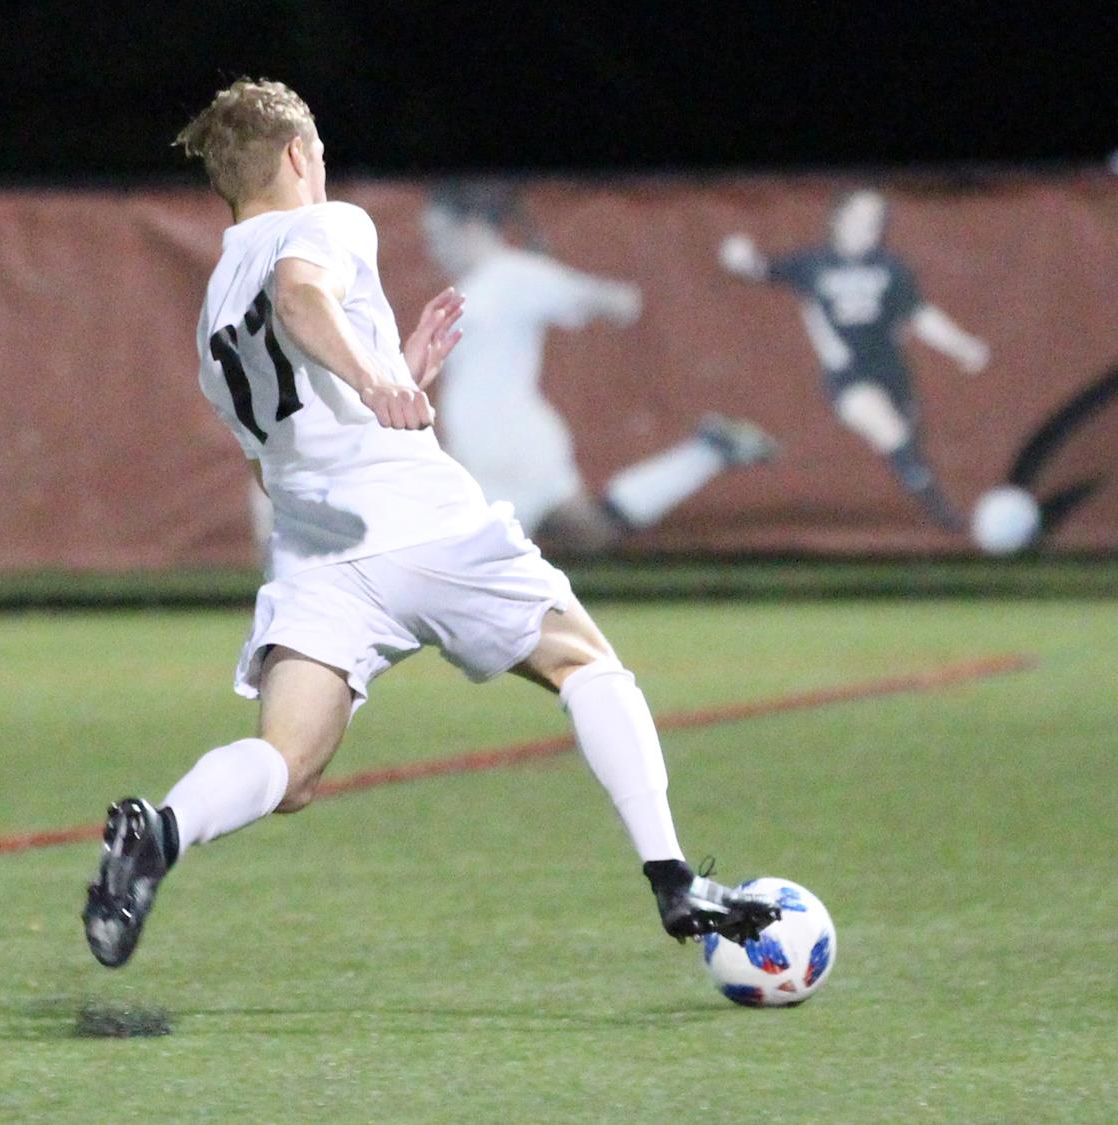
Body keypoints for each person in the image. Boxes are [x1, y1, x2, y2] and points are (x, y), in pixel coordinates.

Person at [83, 80, 778, 969]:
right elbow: (304, 297)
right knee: (584, 662)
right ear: (298, 156)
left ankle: (161, 831)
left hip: (318, 556)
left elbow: (278, 445)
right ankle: (673, 876)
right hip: (424, 525)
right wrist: (381, 381)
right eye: (320, 152)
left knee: (285, 767)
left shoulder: (216, 307)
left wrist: (389, 366)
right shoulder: (331, 225)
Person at [423, 182, 776, 555]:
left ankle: (708, 451)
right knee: (588, 531)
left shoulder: (514, 276)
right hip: (504, 442)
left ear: (473, 228)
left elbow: (615, 301)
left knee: (465, 558)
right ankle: (707, 451)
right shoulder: (490, 282)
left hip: (505, 445)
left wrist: (579, 290)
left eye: (439, 236)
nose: (434, 249)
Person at [719, 189, 989, 530]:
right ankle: (948, 520)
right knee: (891, 432)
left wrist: (961, 345)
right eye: (862, 216)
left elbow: (919, 315)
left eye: (878, 219)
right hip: (848, 375)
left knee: (906, 443)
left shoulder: (892, 268)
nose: (872, 226)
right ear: (839, 218)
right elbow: (763, 269)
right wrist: (741, 260)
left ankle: (936, 515)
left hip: (893, 372)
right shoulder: (813, 264)